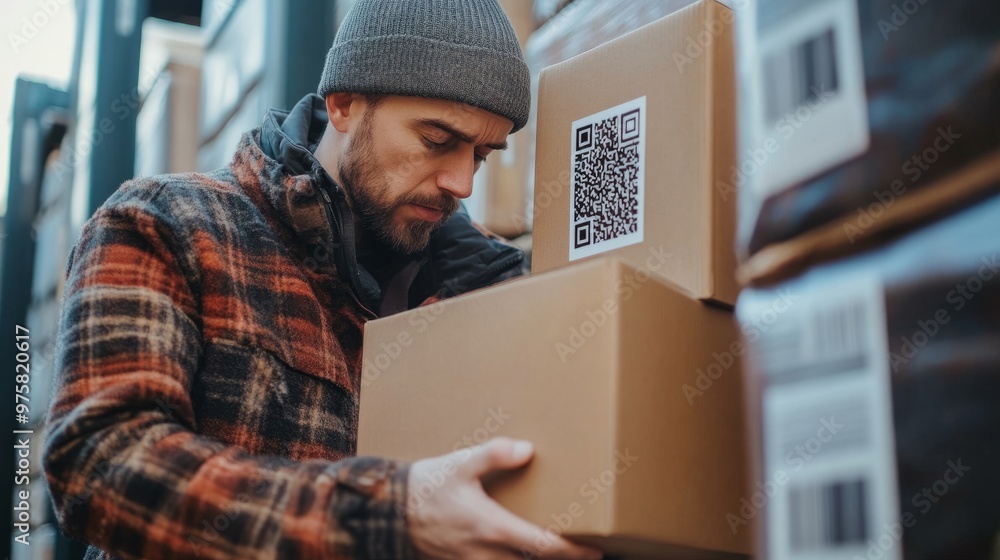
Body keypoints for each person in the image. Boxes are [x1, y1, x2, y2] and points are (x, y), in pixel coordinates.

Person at [41, 0, 604, 558]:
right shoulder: (166, 224)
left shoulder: (491, 287)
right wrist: (388, 517)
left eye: (481, 155)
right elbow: (100, 461)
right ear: (344, 105)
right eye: (437, 140)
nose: (461, 182)